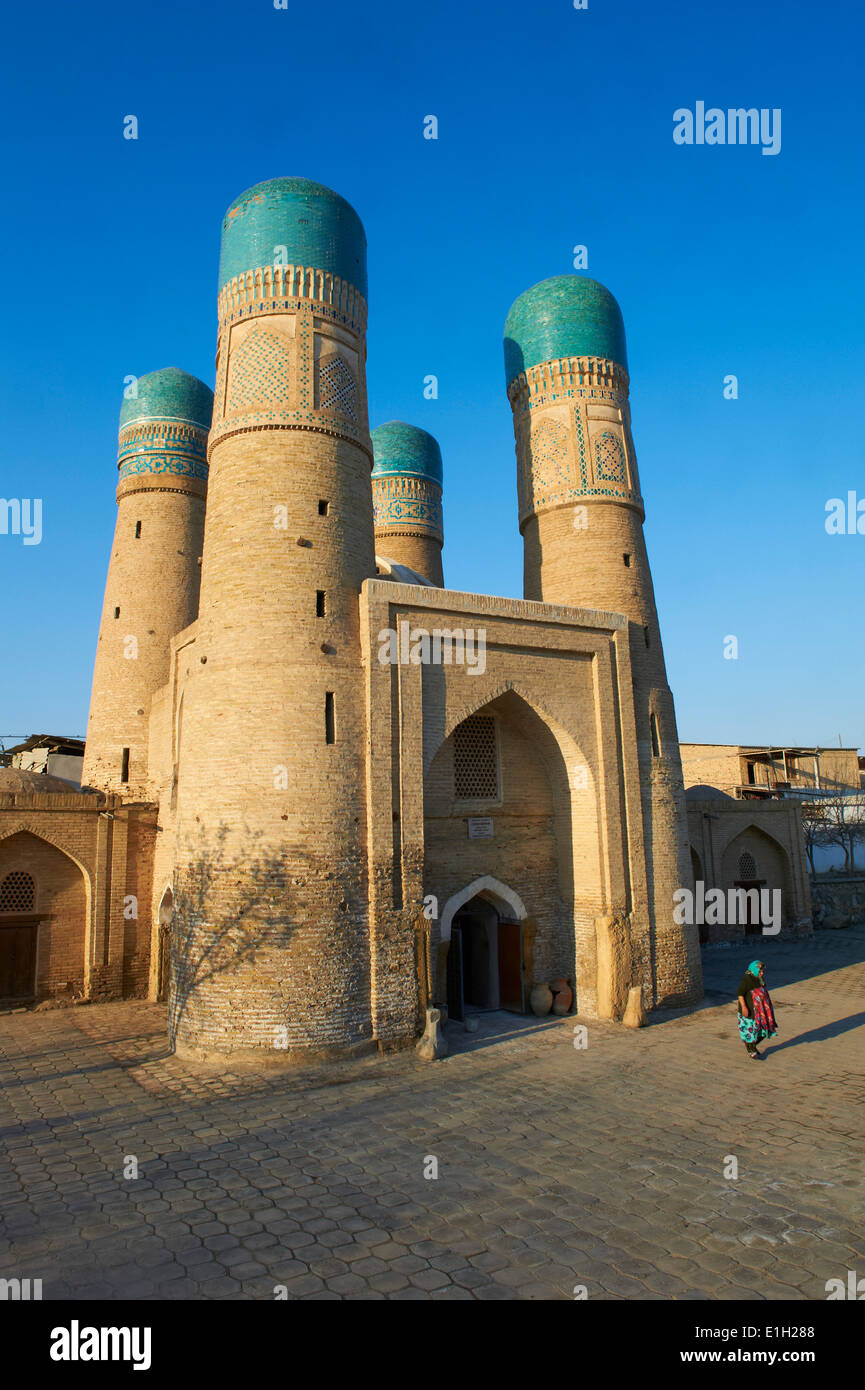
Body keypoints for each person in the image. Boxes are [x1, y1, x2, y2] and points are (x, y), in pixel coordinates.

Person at [736, 959, 778, 1060]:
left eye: (763, 971)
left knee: (763, 1032)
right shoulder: (746, 980)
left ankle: (752, 1047)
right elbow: (740, 994)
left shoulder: (759, 979)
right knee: (750, 1032)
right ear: (754, 970)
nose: (762, 973)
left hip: (760, 1012)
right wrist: (744, 1007)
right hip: (749, 1012)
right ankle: (751, 1050)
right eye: (760, 971)